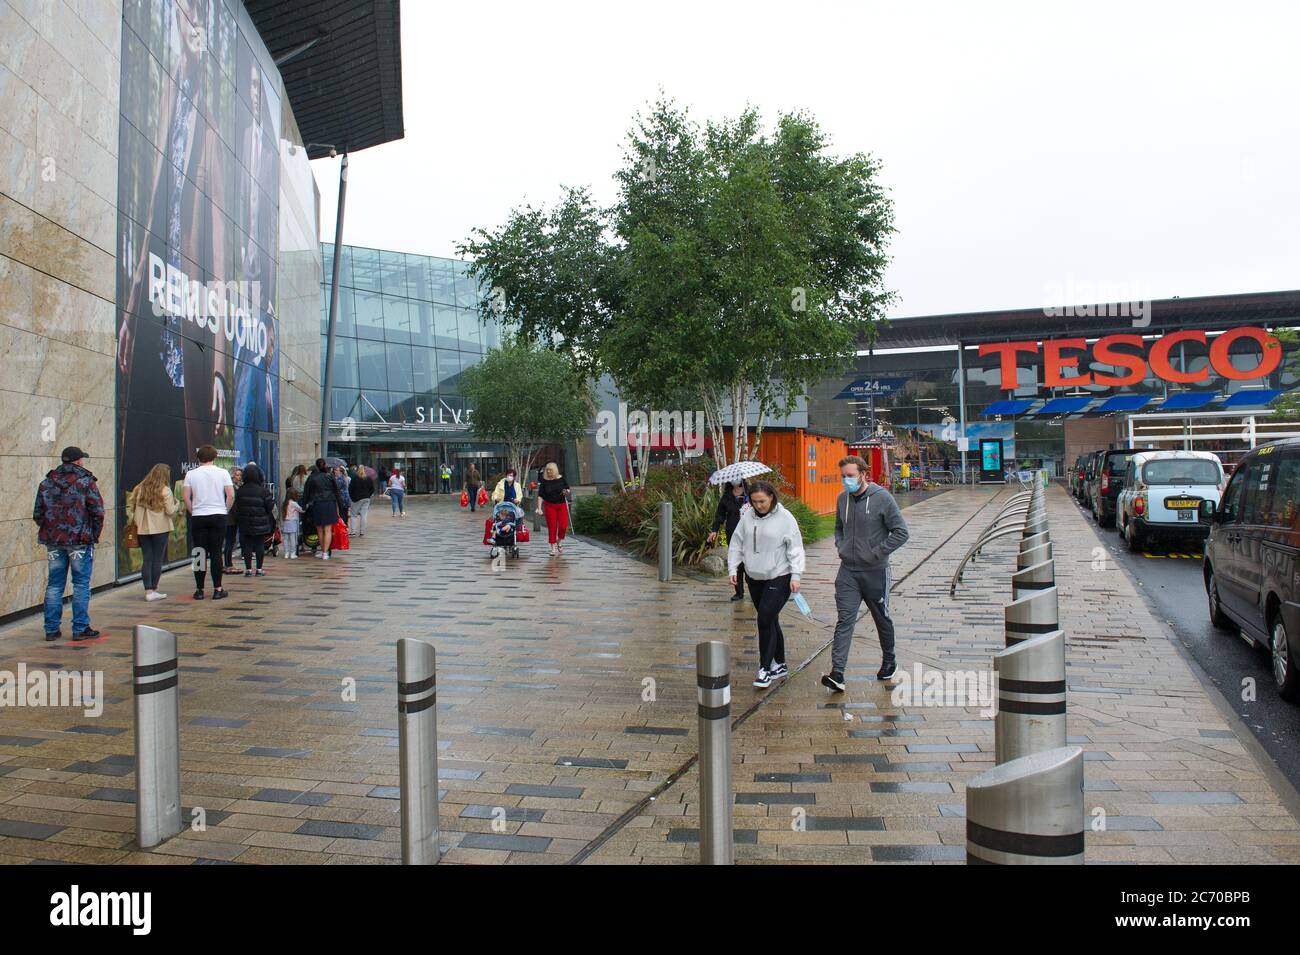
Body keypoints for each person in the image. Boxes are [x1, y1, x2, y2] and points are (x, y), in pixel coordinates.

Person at [822, 455, 910, 692]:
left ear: (863, 474)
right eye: (843, 476)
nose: (846, 480)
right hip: (848, 572)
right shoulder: (843, 499)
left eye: (850, 476)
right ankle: (837, 673)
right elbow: (839, 528)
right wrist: (840, 546)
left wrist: (876, 553)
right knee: (845, 620)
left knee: (881, 618)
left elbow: (901, 532)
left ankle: (889, 660)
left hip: (875, 572)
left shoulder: (882, 498)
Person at [727, 481, 804, 689]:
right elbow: (736, 543)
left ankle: (765, 669)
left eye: (762, 501)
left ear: (772, 497)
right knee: (771, 620)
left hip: (779, 575)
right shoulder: (747, 517)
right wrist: (733, 568)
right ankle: (780, 663)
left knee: (764, 619)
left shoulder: (785, 518)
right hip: (754, 576)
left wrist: (796, 575)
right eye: (754, 502)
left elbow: (795, 548)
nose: (759, 505)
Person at [33, 446, 105, 640]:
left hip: (54, 540)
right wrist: (93, 534)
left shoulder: (46, 483)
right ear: (77, 461)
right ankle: (80, 628)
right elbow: (98, 512)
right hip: (80, 540)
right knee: (81, 584)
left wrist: (51, 529)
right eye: (82, 459)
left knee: (55, 585)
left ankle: (51, 629)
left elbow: (38, 514)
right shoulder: (86, 482)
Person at [183, 444, 235, 599]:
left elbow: (186, 496)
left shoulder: (191, 475)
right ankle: (218, 589)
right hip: (218, 514)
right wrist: (225, 509)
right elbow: (231, 495)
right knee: (216, 552)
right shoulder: (223, 473)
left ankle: (199, 590)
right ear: (215, 457)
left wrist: (193, 510)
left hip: (199, 515)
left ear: (198, 458)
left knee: (199, 553)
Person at [126, 463, 179, 602]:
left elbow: (131, 508)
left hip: (142, 529)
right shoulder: (165, 490)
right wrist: (177, 504)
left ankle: (148, 591)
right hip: (160, 528)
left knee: (147, 559)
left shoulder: (139, 488)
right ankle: (154, 590)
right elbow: (170, 511)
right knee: (157, 559)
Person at [707, 481, 749, 601]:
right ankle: (739, 592)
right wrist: (714, 530)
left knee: (749, 560)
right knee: (737, 561)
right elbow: (719, 515)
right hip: (733, 532)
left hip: (749, 533)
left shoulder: (750, 494)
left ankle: (753, 585)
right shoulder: (727, 496)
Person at [234, 463, 276, 576]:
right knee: (259, 545)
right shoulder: (263, 491)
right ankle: (259, 569)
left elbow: (236, 507)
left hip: (245, 522)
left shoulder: (240, 491)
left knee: (246, 545)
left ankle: (248, 569)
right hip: (260, 522)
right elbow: (270, 506)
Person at [301, 458, 343, 558]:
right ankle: (325, 553)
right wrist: (340, 505)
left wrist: (304, 504)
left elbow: (306, 492)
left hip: (317, 504)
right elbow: (336, 491)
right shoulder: (330, 476)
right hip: (329, 503)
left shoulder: (312, 478)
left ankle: (323, 550)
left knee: (319, 529)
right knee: (328, 529)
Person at [537, 462, 571, 556]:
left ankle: (559, 541)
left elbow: (568, 489)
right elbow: (540, 496)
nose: (549, 472)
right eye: (547, 470)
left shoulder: (561, 479)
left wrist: (566, 492)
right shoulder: (544, 481)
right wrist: (539, 508)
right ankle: (552, 547)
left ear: (555, 470)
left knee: (563, 526)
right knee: (552, 527)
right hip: (549, 505)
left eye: (550, 470)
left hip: (561, 505)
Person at [222, 466, 242, 573]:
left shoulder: (235, 487)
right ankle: (228, 564)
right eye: (237, 475)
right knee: (230, 541)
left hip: (230, 518)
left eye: (239, 475)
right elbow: (233, 504)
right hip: (230, 519)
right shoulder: (231, 488)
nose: (239, 477)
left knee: (230, 541)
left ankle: (228, 563)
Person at [349, 464, 374, 536]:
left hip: (357, 499)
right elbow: (372, 489)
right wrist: (368, 495)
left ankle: (353, 531)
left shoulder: (355, 478)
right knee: (364, 515)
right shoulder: (368, 478)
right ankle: (362, 531)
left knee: (353, 515)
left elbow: (350, 489)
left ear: (357, 470)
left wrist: (352, 498)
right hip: (366, 498)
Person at [282, 488, 302, 559]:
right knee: (293, 538)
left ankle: (286, 553)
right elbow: (301, 509)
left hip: (285, 522)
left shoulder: (285, 503)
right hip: (292, 522)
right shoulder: (294, 503)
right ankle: (292, 553)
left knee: (286, 539)